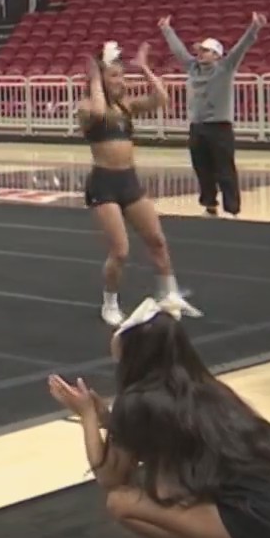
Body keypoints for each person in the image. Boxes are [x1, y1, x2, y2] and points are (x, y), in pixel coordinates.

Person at [48, 300, 270, 538]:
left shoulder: (139, 401)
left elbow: (109, 478)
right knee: (166, 477)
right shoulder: (205, 387)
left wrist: (87, 415)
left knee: (122, 503)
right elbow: (163, 439)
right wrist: (110, 421)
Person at [80, 42, 200, 326]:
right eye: (114, 76)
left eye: (122, 76)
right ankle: (110, 302)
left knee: (157, 241)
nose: (120, 81)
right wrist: (96, 77)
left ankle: (169, 295)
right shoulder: (87, 106)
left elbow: (161, 99)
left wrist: (144, 68)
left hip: (129, 180)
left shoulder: (127, 106)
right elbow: (98, 112)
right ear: (100, 79)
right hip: (104, 184)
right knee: (120, 250)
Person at [160, 12, 265, 217]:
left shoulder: (225, 68)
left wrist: (254, 28)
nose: (201, 53)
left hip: (219, 127)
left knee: (225, 169)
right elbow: (179, 50)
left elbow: (240, 48)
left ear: (217, 55)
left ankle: (232, 209)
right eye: (201, 50)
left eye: (206, 51)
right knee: (202, 168)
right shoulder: (192, 68)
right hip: (197, 127)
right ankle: (209, 205)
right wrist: (166, 29)